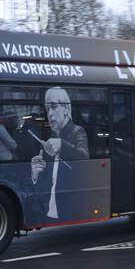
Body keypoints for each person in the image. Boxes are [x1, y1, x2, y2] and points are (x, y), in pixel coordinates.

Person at [29, 86, 90, 219]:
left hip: (71, 209)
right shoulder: (50, 137)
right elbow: (48, 182)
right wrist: (36, 174)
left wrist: (62, 145)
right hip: (52, 211)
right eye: (47, 109)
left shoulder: (77, 131)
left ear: (66, 109)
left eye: (54, 107)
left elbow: (85, 159)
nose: (49, 113)